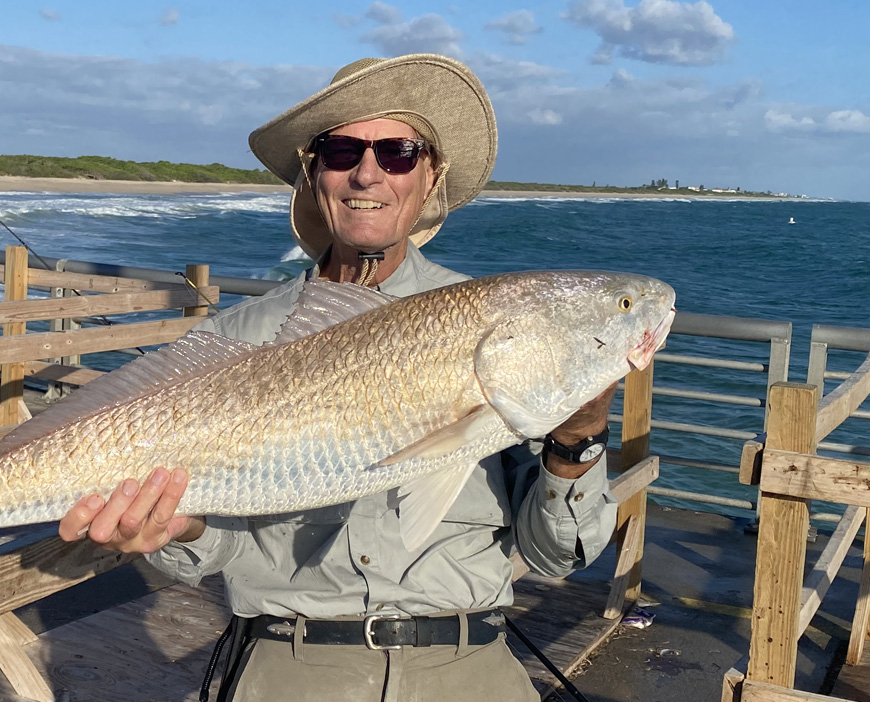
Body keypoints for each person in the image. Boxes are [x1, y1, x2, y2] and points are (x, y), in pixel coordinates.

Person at [59, 54, 617, 701]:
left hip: (469, 670)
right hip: (288, 668)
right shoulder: (237, 340)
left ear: (430, 174)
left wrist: (578, 438)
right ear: (314, 171)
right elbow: (213, 552)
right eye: (343, 149)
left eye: (400, 151)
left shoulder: (501, 330)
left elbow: (558, 557)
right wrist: (174, 528)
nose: (369, 172)